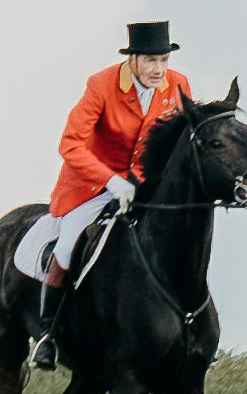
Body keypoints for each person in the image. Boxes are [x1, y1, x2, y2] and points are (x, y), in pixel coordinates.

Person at [14, 20, 189, 297]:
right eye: (150, 60)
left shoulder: (177, 85)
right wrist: (112, 181)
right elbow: (70, 144)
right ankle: (49, 328)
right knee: (69, 242)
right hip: (93, 187)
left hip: (145, 187)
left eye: (164, 60)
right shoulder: (101, 85)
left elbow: (180, 143)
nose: (159, 70)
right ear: (132, 59)